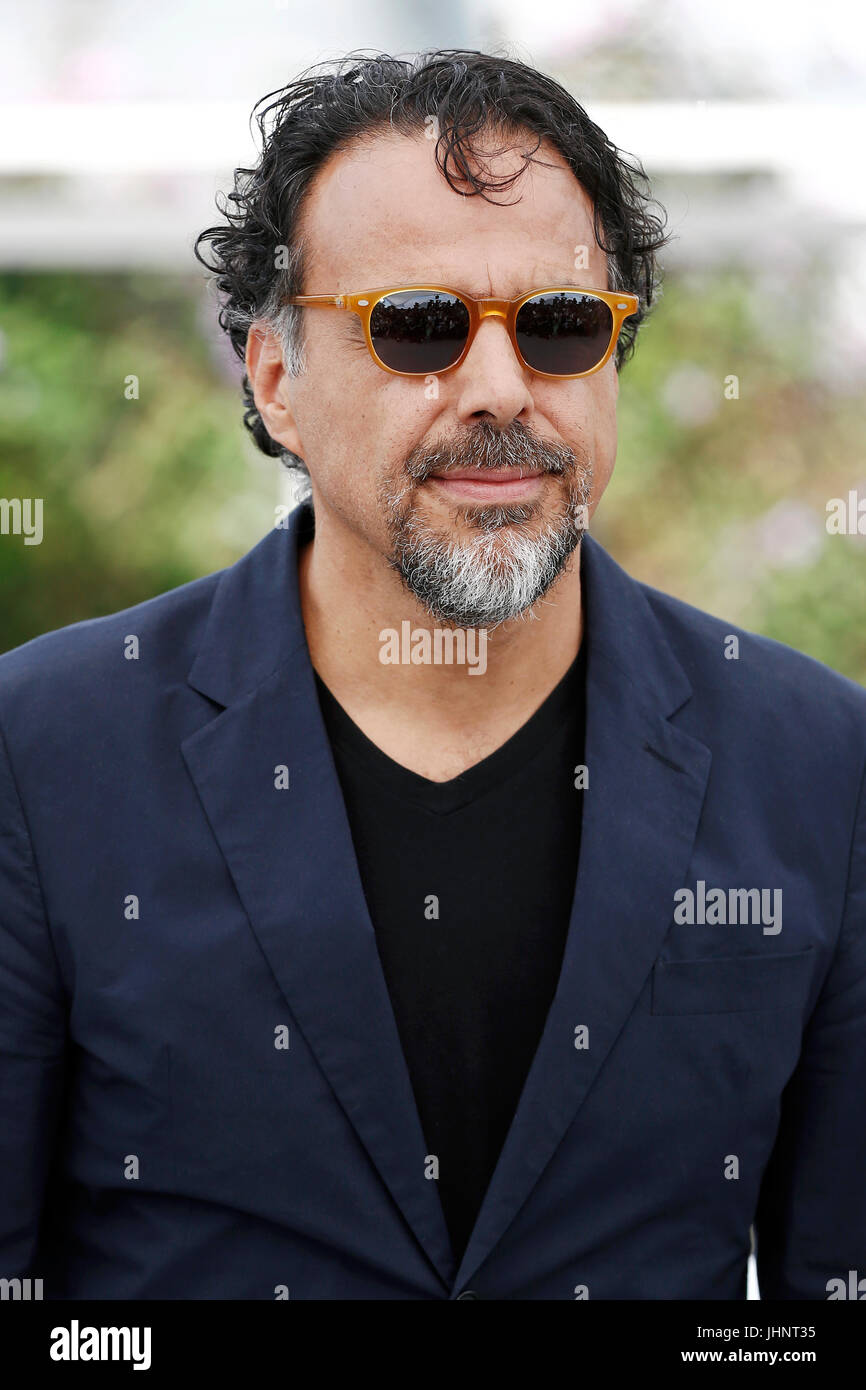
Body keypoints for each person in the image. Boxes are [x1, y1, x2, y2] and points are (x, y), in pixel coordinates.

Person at [0, 50, 863, 1301]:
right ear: (276, 379)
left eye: (561, 327)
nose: (502, 388)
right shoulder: (43, 753)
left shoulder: (815, 764)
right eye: (420, 326)